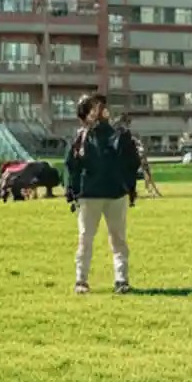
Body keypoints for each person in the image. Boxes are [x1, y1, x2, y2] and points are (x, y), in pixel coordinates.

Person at [65, 94, 140, 295]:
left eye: (100, 106)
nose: (99, 110)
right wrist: (72, 192)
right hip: (89, 195)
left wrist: (129, 187)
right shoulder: (81, 138)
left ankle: (121, 279)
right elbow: (71, 166)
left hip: (116, 193)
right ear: (86, 114)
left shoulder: (118, 134)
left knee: (118, 239)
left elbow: (132, 162)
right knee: (85, 239)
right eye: (93, 107)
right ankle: (81, 280)